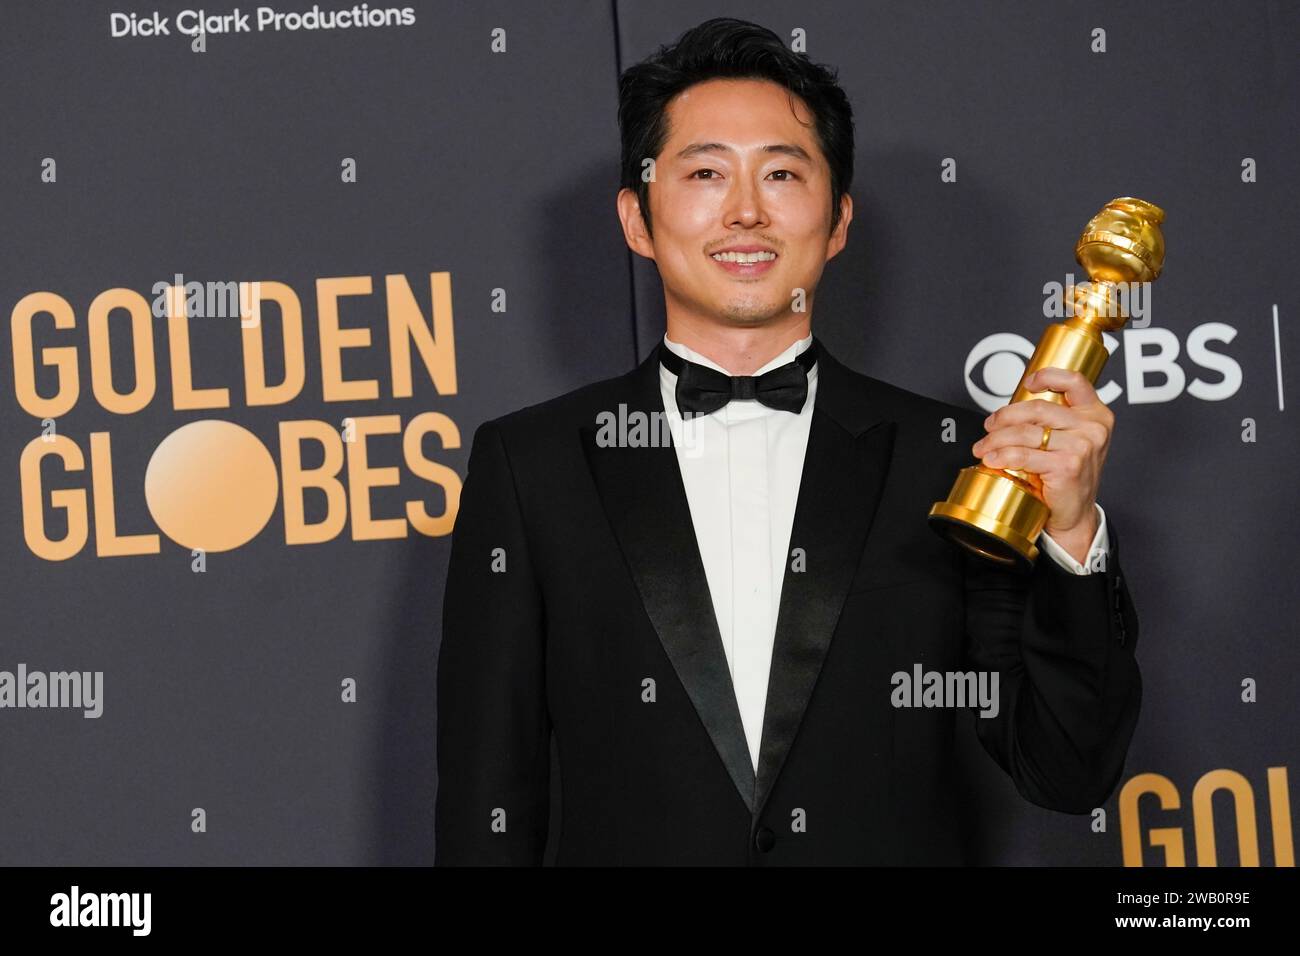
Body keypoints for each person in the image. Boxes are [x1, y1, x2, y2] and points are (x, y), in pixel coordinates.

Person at [434, 17, 1140, 865]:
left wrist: (1071, 537)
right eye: (703, 173)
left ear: (838, 220)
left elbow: (1067, 768)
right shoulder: (531, 466)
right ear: (636, 218)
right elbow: (488, 801)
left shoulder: (955, 457)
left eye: (781, 173)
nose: (744, 211)